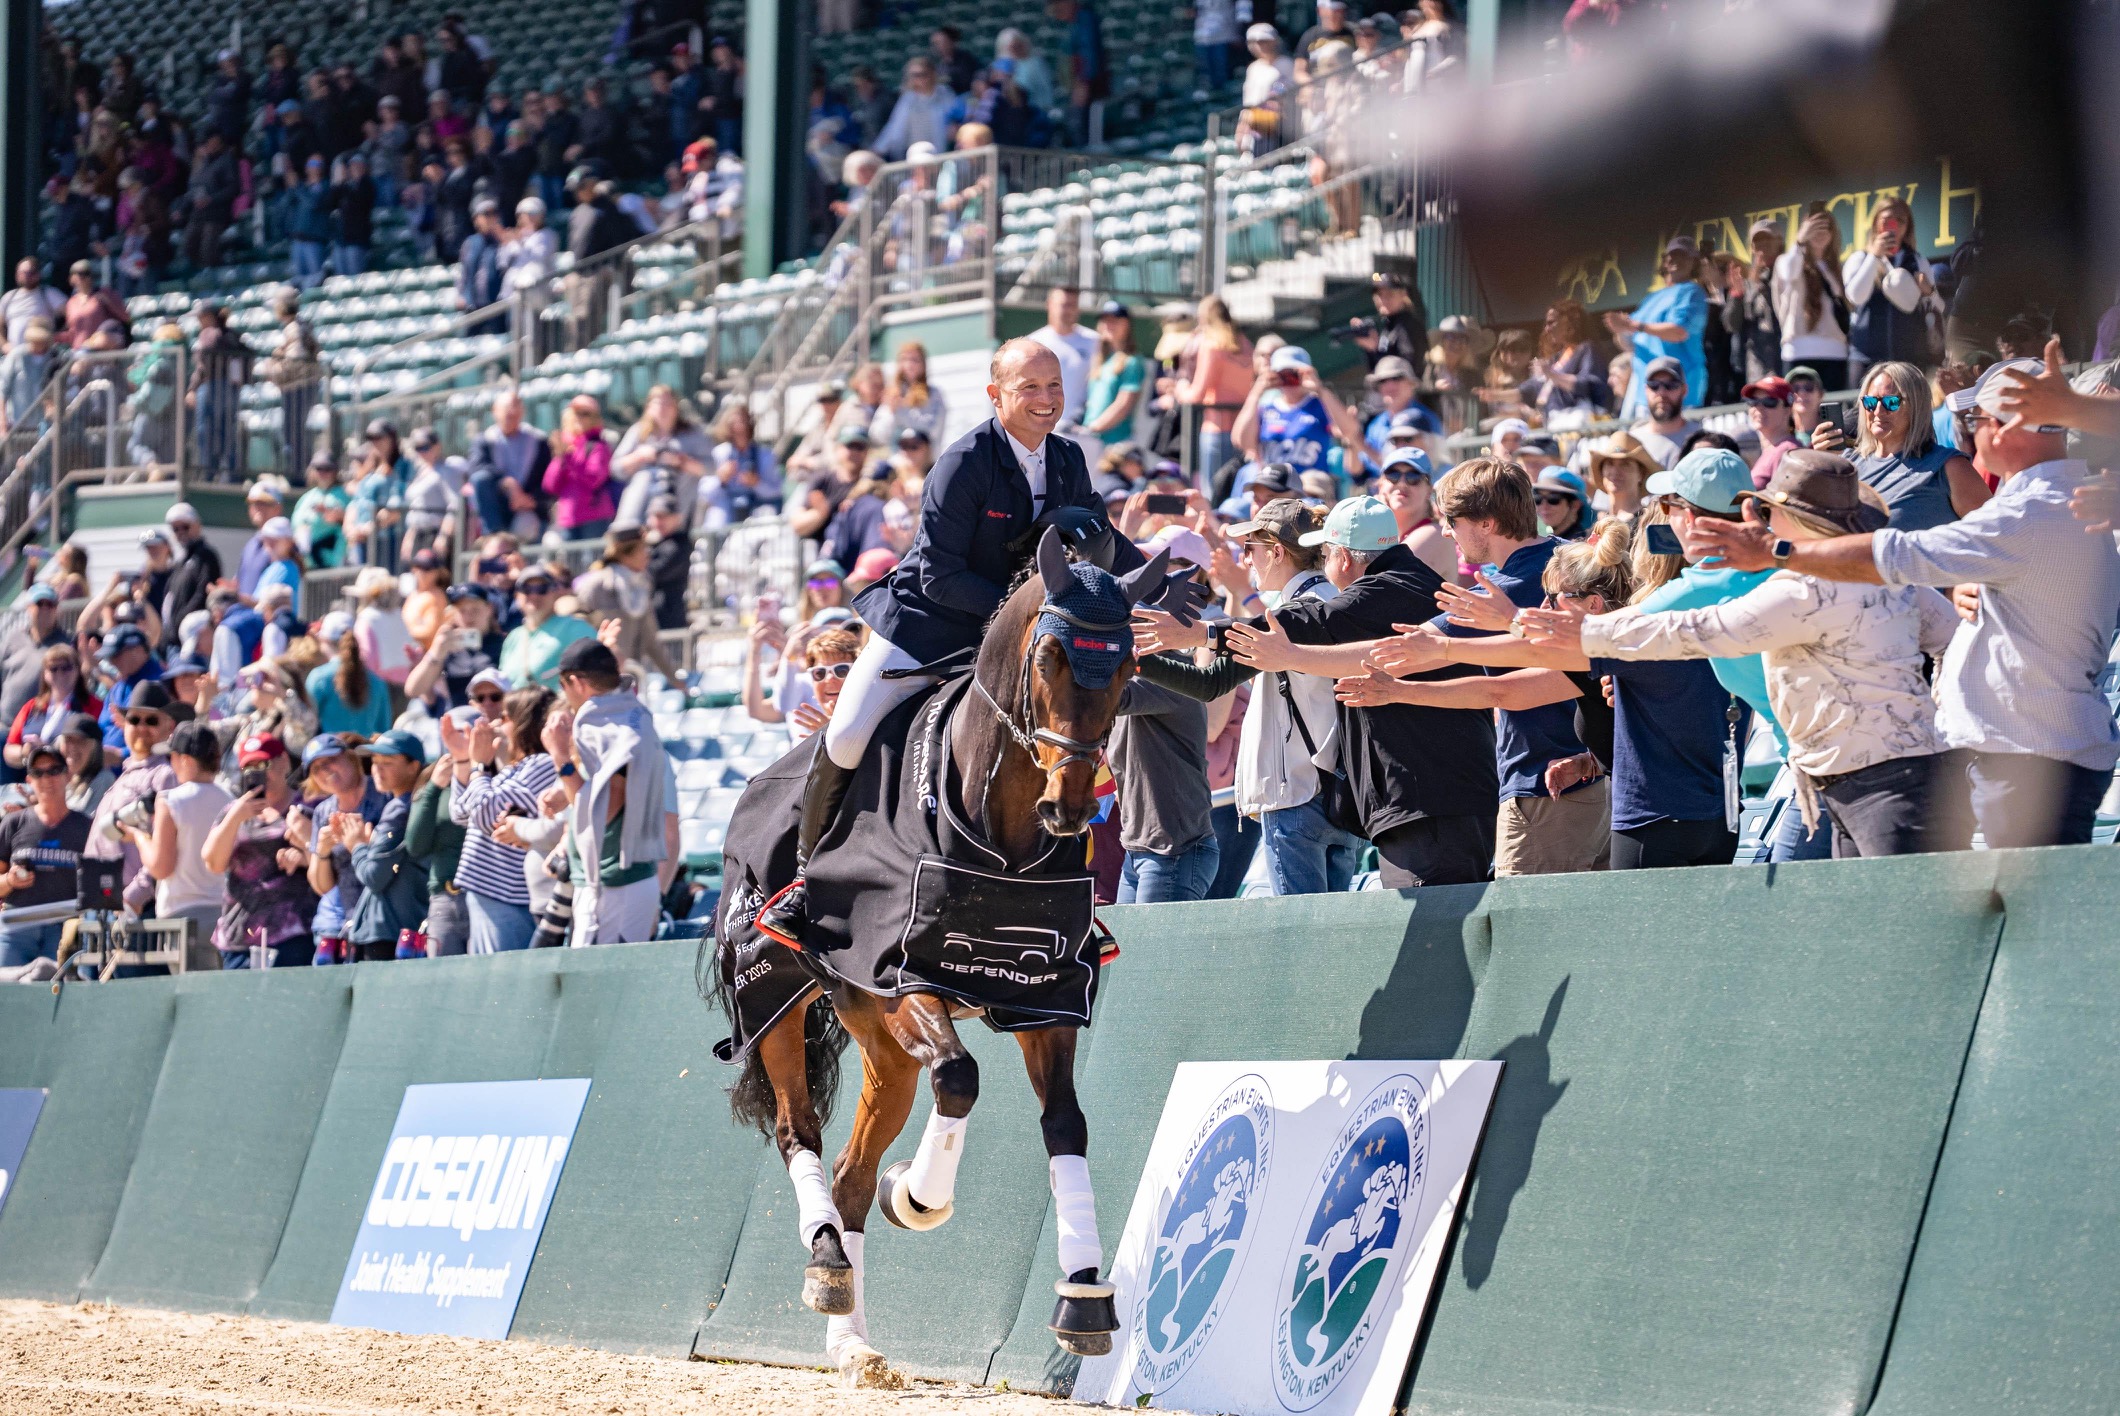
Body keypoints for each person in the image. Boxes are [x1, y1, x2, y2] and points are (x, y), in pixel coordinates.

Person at [755, 338, 1166, 942]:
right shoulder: (963, 462)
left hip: (1008, 639)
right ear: (996, 394)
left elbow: (1102, 533)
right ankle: (803, 883)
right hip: (926, 624)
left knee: (1056, 734)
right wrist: (1016, 619)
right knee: (845, 735)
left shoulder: (1067, 458)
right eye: (1030, 387)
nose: (1046, 399)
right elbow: (938, 576)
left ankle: (1058, 896)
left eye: (1054, 385)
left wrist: (1162, 583)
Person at [1688, 357, 2120, 851]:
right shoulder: (2043, 504)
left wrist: (1778, 552)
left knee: (2025, 899)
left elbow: (1899, 555)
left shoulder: (2027, 509)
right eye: (1870, 401)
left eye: (1978, 418)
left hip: (2028, 758)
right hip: (2021, 751)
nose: (1971, 430)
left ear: (2007, 427)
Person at [1521, 451, 1957, 859]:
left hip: (1867, 778)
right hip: (1832, 774)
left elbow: (1679, 631)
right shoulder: (1818, 579)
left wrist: (1509, 625)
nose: (1763, 520)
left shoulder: (1783, 586)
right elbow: (1951, 636)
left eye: (1771, 511)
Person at [1137, 495, 1500, 888]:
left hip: (1338, 798)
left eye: (1250, 548)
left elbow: (1218, 677)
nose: (1245, 558)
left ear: (1339, 557)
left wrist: (1184, 640)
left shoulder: (1360, 597)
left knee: (1345, 925)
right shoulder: (1414, 583)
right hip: (1378, 797)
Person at [1140, 499, 1362, 894]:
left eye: (1250, 548)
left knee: (1303, 929)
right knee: (1335, 928)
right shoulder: (1341, 600)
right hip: (1343, 797)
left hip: (1296, 799)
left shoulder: (1294, 612)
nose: (1245, 560)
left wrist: (1136, 661)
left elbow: (1210, 683)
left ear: (1276, 552)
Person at [547, 637, 668, 945]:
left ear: (577, 682)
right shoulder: (634, 713)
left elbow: (608, 806)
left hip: (613, 883)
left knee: (595, 976)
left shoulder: (601, 724)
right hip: (632, 877)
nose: (563, 693)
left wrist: (561, 758)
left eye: (563, 684)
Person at [1810, 360, 1987, 530]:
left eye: (1891, 403)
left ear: (1916, 406)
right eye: (1870, 402)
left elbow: (1992, 534)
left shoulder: (1950, 467)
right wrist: (1822, 467)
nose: (1878, 411)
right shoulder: (1846, 465)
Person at [203, 733, 318, 968]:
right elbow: (213, 863)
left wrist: (303, 856)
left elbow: (329, 860)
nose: (258, 773)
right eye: (249, 768)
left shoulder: (307, 807)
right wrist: (235, 817)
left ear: (284, 761)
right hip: (240, 936)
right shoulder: (233, 812)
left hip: (293, 932)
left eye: (264, 764)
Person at [83, 679, 183, 917]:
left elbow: (168, 845)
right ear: (124, 724)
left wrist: (137, 895)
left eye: (151, 720)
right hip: (100, 901)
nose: (141, 727)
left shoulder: (165, 776)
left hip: (136, 908)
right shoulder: (122, 777)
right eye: (134, 720)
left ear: (169, 726)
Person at [139, 720, 233, 969]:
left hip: (182, 919)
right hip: (225, 917)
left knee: (192, 993)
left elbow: (160, 867)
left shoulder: (170, 800)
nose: (170, 763)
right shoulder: (232, 801)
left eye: (172, 756)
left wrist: (139, 837)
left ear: (186, 760)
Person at [0, 743, 92, 968]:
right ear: (29, 780)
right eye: (38, 773)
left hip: (64, 929)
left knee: (58, 988)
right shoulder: (13, 823)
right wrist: (10, 881)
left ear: (67, 775)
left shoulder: (86, 827)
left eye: (54, 771)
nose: (46, 778)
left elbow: (99, 885)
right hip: (16, 926)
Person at [342, 730, 430, 961]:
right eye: (375, 761)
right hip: (402, 931)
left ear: (413, 766)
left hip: (385, 934)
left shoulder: (399, 808)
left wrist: (356, 846)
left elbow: (374, 876)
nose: (377, 769)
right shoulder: (416, 803)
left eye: (388, 762)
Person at [1609, 237, 1709, 414]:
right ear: (1665, 261)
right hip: (1645, 396)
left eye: (1683, 256)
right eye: (1672, 255)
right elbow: (1629, 345)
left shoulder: (1693, 292)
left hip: (1680, 395)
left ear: (1693, 262)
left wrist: (1634, 326)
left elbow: (1678, 332)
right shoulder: (1650, 299)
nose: (1676, 260)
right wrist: (1620, 329)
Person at [1233, 345, 1356, 481]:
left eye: (1294, 375)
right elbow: (1242, 442)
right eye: (1282, 375)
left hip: (1309, 485)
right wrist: (1256, 393)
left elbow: (1349, 431)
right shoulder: (1267, 409)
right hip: (1273, 484)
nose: (1289, 380)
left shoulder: (1319, 406)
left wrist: (1320, 389)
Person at [574, 527, 682, 680]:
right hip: (599, 677)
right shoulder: (596, 585)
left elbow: (651, 640)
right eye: (643, 549)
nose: (648, 555)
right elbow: (578, 630)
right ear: (625, 554)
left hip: (629, 676)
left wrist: (675, 680)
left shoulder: (643, 584)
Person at [1843, 195, 1935, 372]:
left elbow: (1936, 308)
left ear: (1908, 227)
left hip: (1908, 357)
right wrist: (1874, 256)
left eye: (1901, 221)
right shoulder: (1859, 258)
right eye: (1887, 220)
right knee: (1865, 393)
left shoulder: (1917, 260)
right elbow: (1855, 297)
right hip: (1866, 357)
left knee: (1903, 393)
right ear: (1876, 223)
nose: (1895, 226)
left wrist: (1929, 291)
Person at [1772, 205, 1852, 393]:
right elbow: (1788, 271)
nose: (1820, 233)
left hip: (1835, 352)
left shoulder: (1837, 269)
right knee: (1798, 408)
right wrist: (1800, 240)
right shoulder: (1788, 259)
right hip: (1799, 349)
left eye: (1826, 228)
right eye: (1815, 227)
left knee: (1832, 408)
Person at [613, 384, 714, 528]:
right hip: (642, 507)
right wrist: (640, 456)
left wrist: (682, 462)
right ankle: (629, 528)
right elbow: (615, 469)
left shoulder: (692, 433)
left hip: (680, 507)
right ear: (648, 407)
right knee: (644, 476)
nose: (662, 409)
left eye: (668, 404)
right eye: (658, 403)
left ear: (676, 407)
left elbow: (712, 469)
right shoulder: (638, 432)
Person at [1178, 293, 1254, 483]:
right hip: (1242, 431)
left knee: (1212, 490)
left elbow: (1198, 393)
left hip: (1217, 429)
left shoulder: (1212, 345)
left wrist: (1180, 389)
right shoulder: (1246, 345)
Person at [0, 586, 73, 766]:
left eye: (50, 604)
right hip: (5, 728)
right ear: (29, 607)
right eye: (40, 604)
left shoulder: (66, 644)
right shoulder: (13, 639)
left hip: (40, 733)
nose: (45, 609)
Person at [7, 644, 102, 774]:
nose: (60, 673)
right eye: (53, 669)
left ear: (78, 670)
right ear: (45, 674)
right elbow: (9, 749)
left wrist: (49, 752)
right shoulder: (32, 707)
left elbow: (98, 749)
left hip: (73, 777)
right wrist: (25, 752)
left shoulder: (93, 705)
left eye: (66, 668)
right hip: (34, 777)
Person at [499, 564, 595, 690]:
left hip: (557, 702)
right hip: (516, 702)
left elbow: (596, 672)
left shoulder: (575, 627)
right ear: (517, 596)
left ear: (555, 593)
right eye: (527, 589)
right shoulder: (513, 637)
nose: (534, 595)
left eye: (542, 589)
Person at [547, 394, 618, 542]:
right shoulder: (567, 446)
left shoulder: (599, 446)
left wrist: (568, 457)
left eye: (585, 414)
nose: (579, 418)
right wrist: (561, 457)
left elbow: (594, 478)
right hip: (568, 518)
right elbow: (550, 485)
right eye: (575, 413)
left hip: (594, 517)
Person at [700, 401, 780, 528]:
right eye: (734, 425)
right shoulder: (718, 454)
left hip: (757, 508)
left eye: (743, 423)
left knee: (768, 520)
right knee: (716, 522)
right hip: (726, 509)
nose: (739, 429)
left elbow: (777, 491)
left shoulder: (765, 455)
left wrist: (756, 483)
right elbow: (704, 493)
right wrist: (721, 479)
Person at [1029, 285, 1099, 429]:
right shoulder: (1032, 343)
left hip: (1081, 429)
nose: (1068, 310)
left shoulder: (1095, 342)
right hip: (1042, 427)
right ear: (1049, 305)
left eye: (1072, 305)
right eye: (1063, 305)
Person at [306, 623, 394, 736]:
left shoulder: (319, 677)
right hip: (366, 746)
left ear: (325, 640)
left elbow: (306, 722)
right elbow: (384, 729)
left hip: (328, 746)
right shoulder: (378, 682)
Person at [93, 625, 165, 760]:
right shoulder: (119, 687)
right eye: (109, 657)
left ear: (138, 650)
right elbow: (102, 727)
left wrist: (121, 754)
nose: (112, 662)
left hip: (145, 766)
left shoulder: (158, 685)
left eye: (116, 655)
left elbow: (161, 738)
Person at [871, 341, 949, 449]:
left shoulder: (933, 394)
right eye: (904, 359)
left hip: (926, 457)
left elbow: (933, 431)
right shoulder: (892, 394)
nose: (909, 365)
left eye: (915, 360)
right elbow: (878, 436)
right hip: (898, 456)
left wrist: (903, 411)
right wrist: (891, 412)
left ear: (923, 364)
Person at [1744, 375, 1802, 489]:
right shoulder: (1771, 450)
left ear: (1788, 410)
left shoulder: (1789, 451)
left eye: (1769, 402)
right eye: (1753, 401)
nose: (1759, 408)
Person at [1534, 468, 1594, 541]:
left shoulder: (1583, 545)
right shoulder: (1544, 540)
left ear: (1575, 505)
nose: (1544, 506)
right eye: (1537, 499)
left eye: (1553, 499)